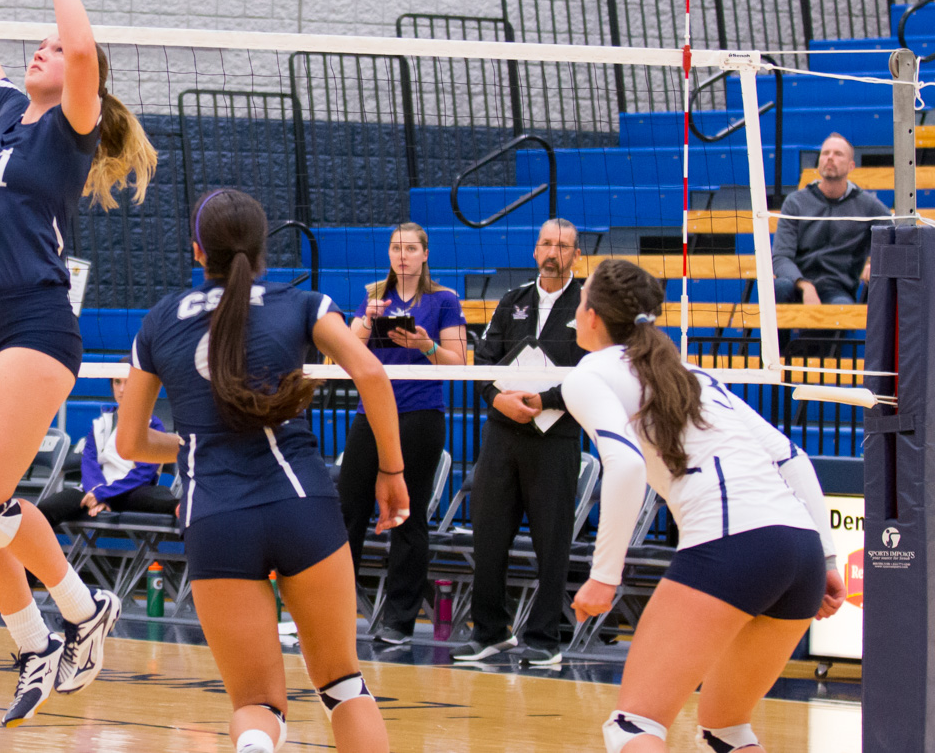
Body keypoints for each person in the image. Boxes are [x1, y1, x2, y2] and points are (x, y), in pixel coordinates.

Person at [0, 0, 158, 726]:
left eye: (52, 48)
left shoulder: (71, 128)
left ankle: (83, 606)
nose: (43, 49)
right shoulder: (4, 110)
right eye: (40, 44)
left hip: (35, 318)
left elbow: (84, 51)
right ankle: (33, 642)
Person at [116, 189, 407, 753]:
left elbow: (130, 442)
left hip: (216, 519)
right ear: (261, 248)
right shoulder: (303, 304)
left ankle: (255, 744)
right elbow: (372, 374)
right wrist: (391, 472)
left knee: (257, 704)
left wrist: (197, 445)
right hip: (301, 506)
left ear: (198, 251)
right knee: (343, 685)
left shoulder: (158, 322)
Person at [561, 258, 846, 753]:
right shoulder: (692, 374)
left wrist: (604, 576)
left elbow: (625, 466)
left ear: (592, 316)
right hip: (800, 550)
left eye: (581, 299)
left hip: (733, 544)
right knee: (726, 731)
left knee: (634, 725)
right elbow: (793, 460)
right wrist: (827, 559)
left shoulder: (589, 374)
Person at [453, 218, 586, 665]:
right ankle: (489, 631)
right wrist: (497, 398)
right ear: (535, 250)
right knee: (488, 535)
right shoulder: (512, 301)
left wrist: (543, 399)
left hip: (556, 436)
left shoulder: (588, 305)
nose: (552, 252)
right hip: (503, 434)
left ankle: (544, 638)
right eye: (546, 243)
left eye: (562, 246)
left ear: (576, 255)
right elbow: (484, 361)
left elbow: (592, 373)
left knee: (552, 541)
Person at [339, 221, 466, 647]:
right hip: (371, 413)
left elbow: (460, 364)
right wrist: (365, 321)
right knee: (349, 511)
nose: (403, 255)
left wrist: (426, 346)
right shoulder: (375, 297)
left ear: (425, 254)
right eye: (396, 247)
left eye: (411, 248)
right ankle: (334, 613)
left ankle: (399, 622)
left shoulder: (444, 300)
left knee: (407, 517)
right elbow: (346, 351)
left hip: (420, 415)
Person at [35, 358, 175, 529]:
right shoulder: (101, 424)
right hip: (95, 488)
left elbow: (144, 474)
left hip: (131, 490)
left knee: (163, 499)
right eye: (117, 382)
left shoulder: (153, 425)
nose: (121, 389)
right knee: (43, 511)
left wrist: (104, 494)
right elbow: (89, 464)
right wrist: (97, 492)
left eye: (127, 382)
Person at [772, 133, 890, 306]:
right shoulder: (795, 202)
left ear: (851, 166)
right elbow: (781, 257)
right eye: (825, 153)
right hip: (796, 284)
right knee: (779, 287)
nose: (830, 158)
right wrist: (805, 286)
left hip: (837, 290)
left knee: (841, 307)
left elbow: (894, 235)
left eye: (838, 154)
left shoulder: (868, 205)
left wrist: (876, 263)